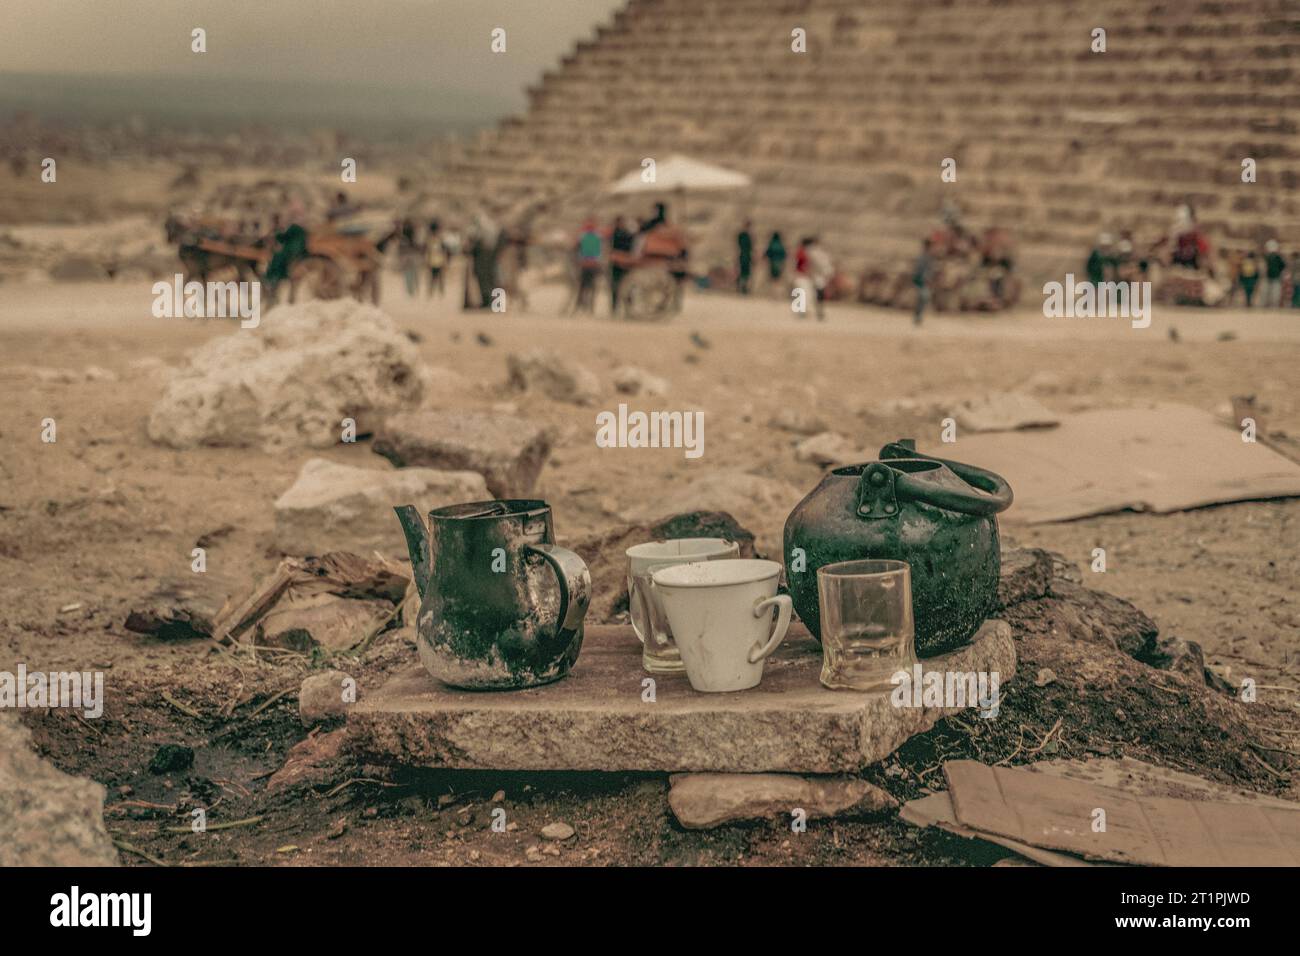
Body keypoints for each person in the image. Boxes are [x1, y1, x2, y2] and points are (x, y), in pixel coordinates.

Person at [575, 219, 603, 313]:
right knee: (589, 287)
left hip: (587, 265)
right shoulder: (596, 236)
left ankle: (583, 307)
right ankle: (588, 307)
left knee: (584, 287)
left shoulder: (584, 236)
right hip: (590, 265)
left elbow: (580, 250)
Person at [609, 215, 635, 315]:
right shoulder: (624, 233)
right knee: (618, 287)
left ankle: (618, 308)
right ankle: (617, 308)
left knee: (620, 287)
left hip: (620, 263)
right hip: (620, 263)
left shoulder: (618, 234)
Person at [806, 237, 834, 321]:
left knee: (817, 294)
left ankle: (818, 311)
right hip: (816, 276)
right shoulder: (814, 252)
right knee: (815, 294)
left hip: (818, 276)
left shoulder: (816, 252)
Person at [912, 237, 936, 326]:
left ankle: (918, 317)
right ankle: (918, 317)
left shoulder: (928, 257)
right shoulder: (923, 257)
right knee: (923, 297)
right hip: (920, 280)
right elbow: (919, 270)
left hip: (924, 280)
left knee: (923, 298)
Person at [425, 219, 447, 297]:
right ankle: (433, 292)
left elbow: (444, 250)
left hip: (437, 261)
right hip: (434, 261)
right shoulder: (432, 240)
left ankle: (438, 292)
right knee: (434, 278)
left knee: (437, 278)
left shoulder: (436, 240)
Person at [1264, 240, 1286, 308]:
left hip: (1269, 276)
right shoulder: (1278, 257)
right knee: (1275, 292)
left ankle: (1268, 304)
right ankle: (1274, 305)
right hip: (1276, 276)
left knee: (1268, 292)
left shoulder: (1267, 257)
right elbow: (1283, 265)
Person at [736, 221, 754, 294]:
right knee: (743, 272)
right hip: (744, 255)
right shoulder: (744, 235)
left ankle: (743, 287)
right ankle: (741, 287)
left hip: (746, 255)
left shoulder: (747, 235)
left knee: (746, 273)